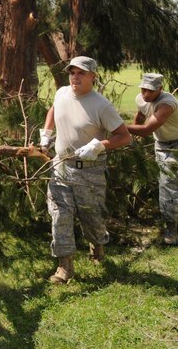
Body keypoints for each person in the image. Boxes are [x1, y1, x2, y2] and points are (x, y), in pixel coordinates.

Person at [39, 56, 131, 284]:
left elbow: (124, 136)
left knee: (92, 218)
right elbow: (53, 109)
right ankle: (64, 267)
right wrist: (46, 135)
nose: (75, 77)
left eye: (81, 73)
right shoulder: (61, 93)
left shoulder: (101, 105)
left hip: (89, 171)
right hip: (60, 166)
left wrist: (99, 145)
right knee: (59, 215)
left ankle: (97, 245)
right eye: (72, 72)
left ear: (93, 76)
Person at [125, 73, 178, 245]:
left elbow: (147, 129)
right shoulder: (141, 98)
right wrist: (134, 140)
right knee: (169, 185)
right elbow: (140, 117)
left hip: (175, 145)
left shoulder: (167, 104)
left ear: (160, 90)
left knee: (169, 186)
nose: (146, 94)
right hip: (161, 144)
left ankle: (172, 230)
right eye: (143, 89)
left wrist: (119, 128)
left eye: (150, 91)